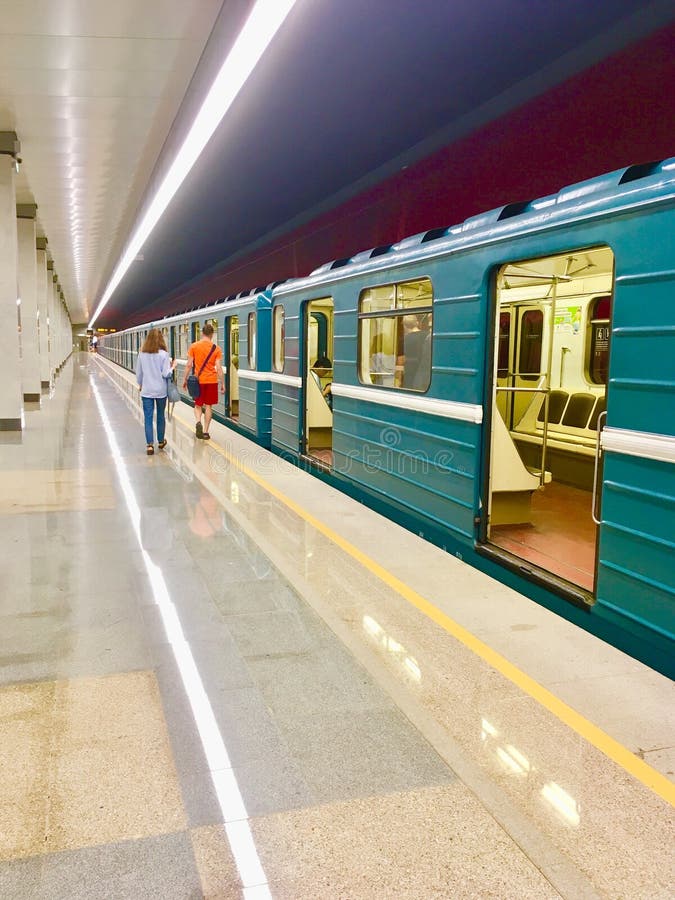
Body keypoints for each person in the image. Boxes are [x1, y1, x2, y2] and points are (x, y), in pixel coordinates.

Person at [135, 328, 176, 455]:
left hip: (147, 390)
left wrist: (141, 384)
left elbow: (139, 374)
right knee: (160, 416)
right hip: (160, 391)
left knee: (148, 417)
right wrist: (173, 367)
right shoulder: (164, 354)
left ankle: (150, 445)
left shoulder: (142, 354)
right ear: (161, 339)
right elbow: (166, 374)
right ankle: (161, 441)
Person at [183, 323, 224, 439]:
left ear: (202, 333)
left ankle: (198, 422)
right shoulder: (217, 349)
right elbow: (218, 368)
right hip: (211, 381)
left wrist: (185, 379)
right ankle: (205, 432)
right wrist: (223, 383)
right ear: (212, 334)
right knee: (209, 406)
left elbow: (189, 365)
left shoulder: (194, 346)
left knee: (198, 405)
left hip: (198, 381)